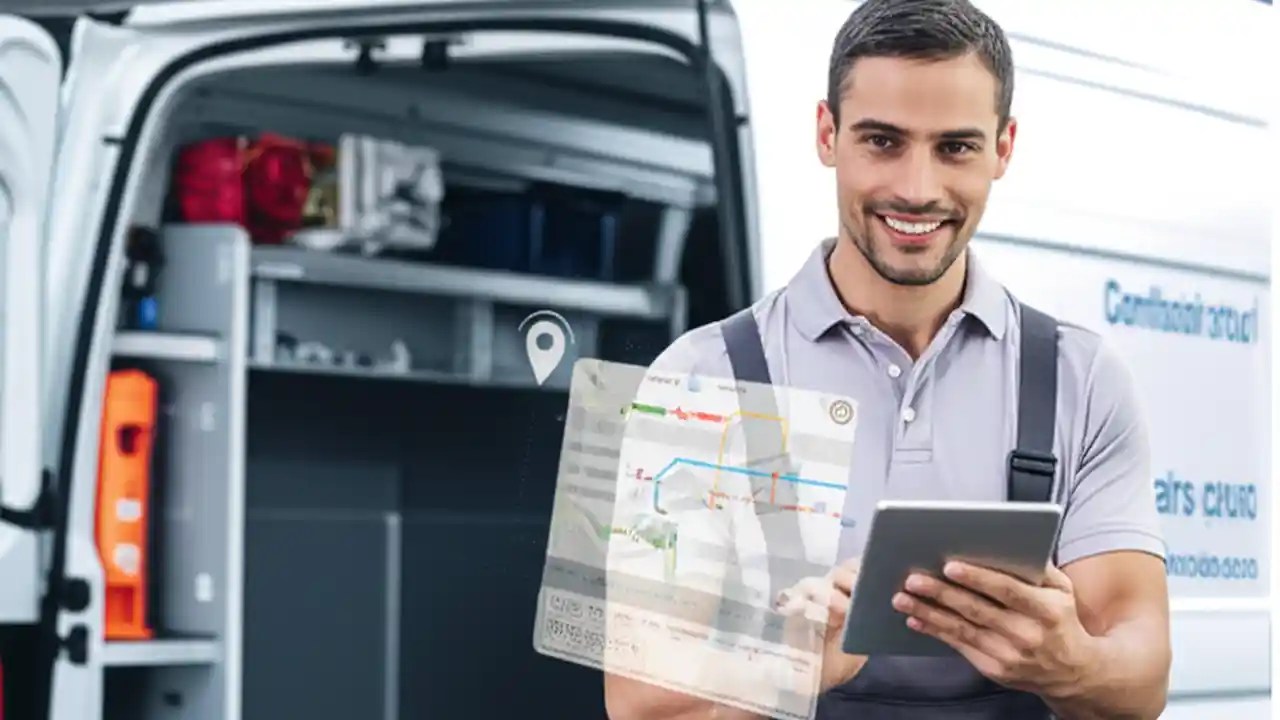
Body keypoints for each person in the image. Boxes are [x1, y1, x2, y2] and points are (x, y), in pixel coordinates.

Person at [602, 0, 1173, 718]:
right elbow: (641, 706)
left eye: (955, 147)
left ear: (1004, 148)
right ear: (827, 134)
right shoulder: (699, 379)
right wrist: (788, 667)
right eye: (882, 141)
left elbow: (1142, 681)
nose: (917, 189)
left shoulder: (1080, 381)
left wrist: (1074, 661)